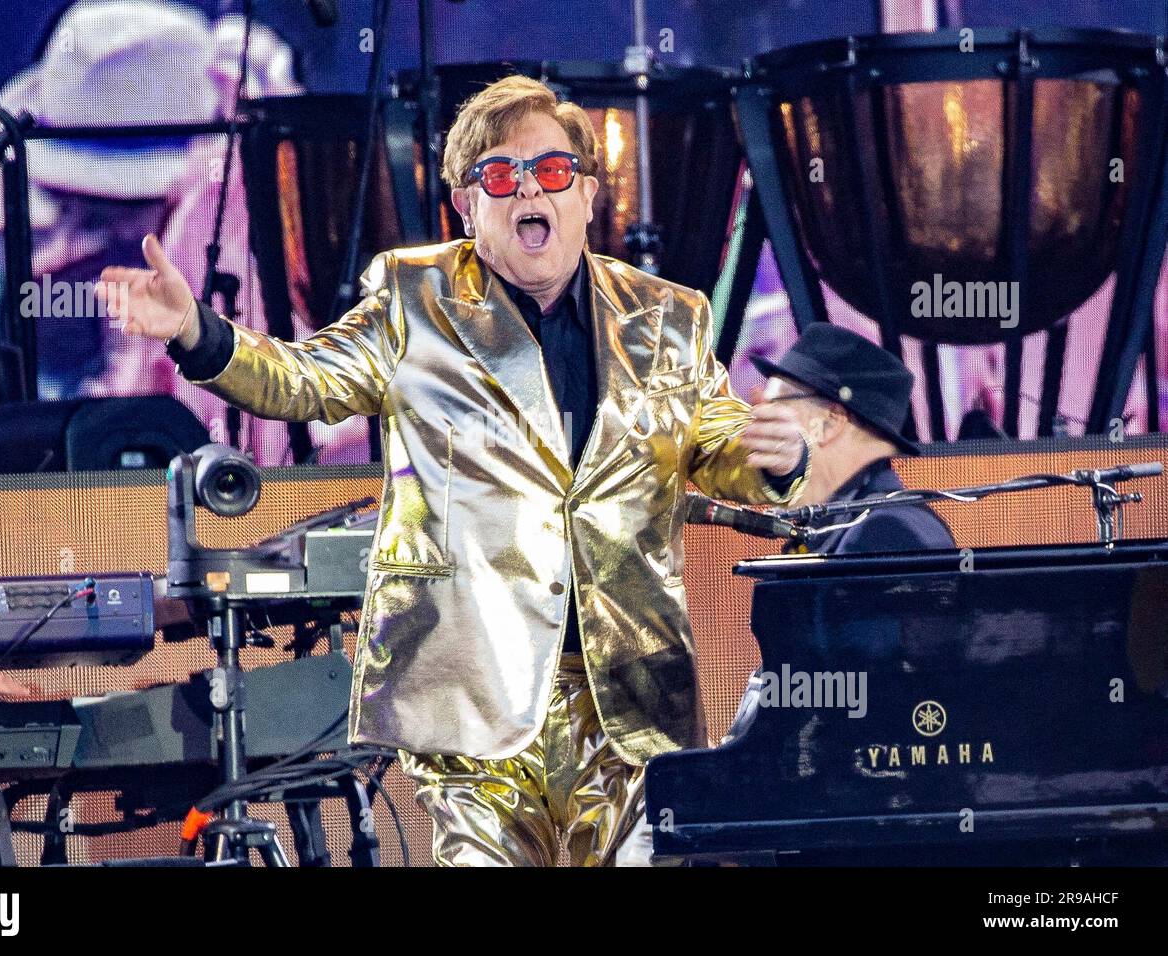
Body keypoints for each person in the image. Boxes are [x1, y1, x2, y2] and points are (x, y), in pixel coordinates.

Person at [97, 75, 810, 866]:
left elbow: (717, 445)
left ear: (586, 192)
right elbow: (303, 380)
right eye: (499, 176)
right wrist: (197, 332)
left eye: (551, 170)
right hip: (475, 691)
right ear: (466, 207)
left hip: (630, 699)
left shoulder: (669, 316)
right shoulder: (415, 298)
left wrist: (776, 458)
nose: (527, 190)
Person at [751, 323, 953, 554]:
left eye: (774, 404)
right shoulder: (829, 527)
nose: (757, 417)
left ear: (830, 422)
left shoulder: (887, 531)